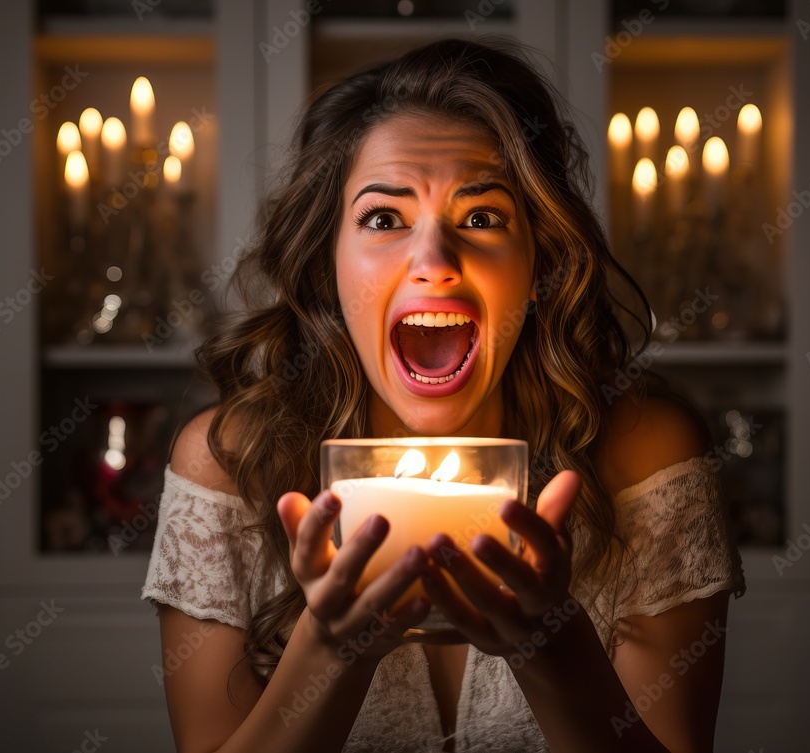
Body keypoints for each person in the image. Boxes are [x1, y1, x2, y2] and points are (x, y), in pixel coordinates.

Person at [143, 37, 745, 753]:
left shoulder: (648, 456)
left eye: (483, 217)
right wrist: (331, 648)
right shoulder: (228, 466)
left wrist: (551, 644)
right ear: (325, 259)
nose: (433, 260)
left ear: (541, 258)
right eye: (384, 219)